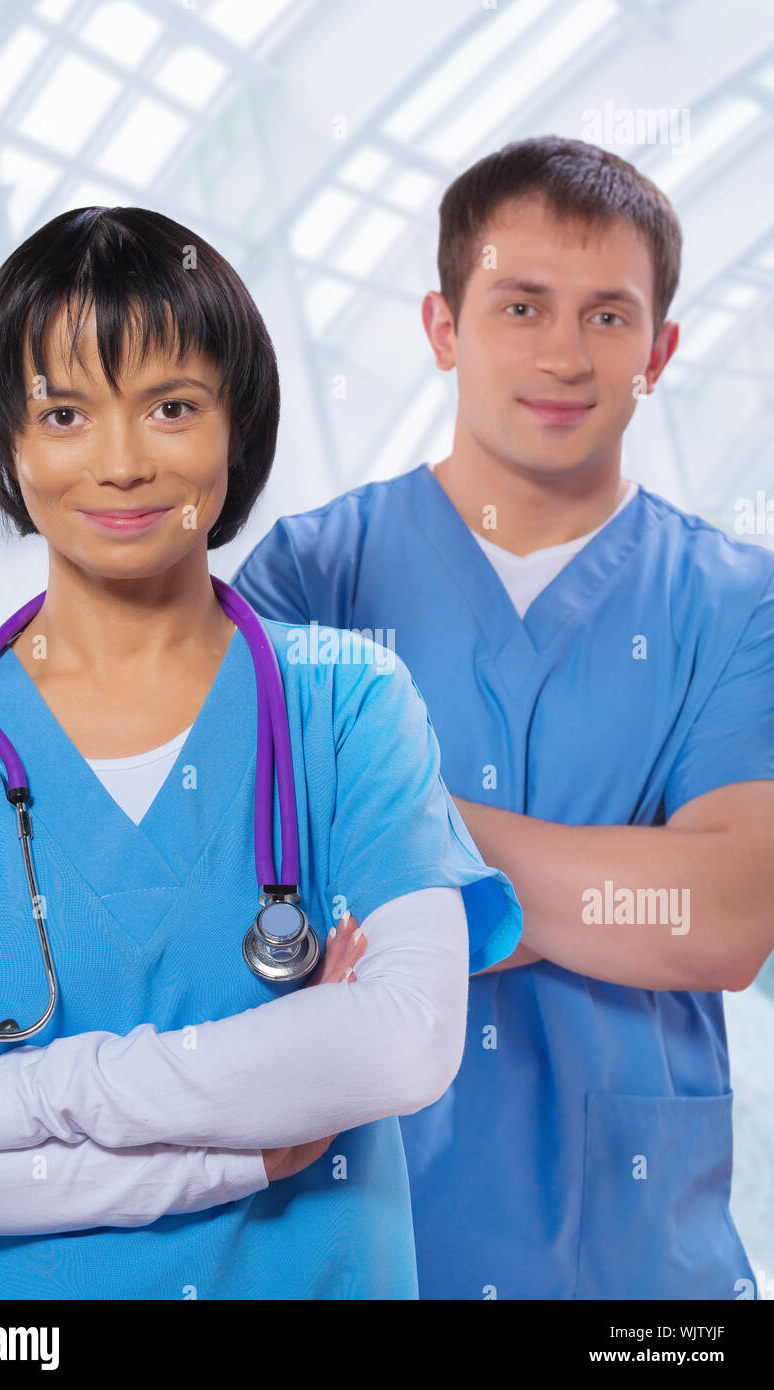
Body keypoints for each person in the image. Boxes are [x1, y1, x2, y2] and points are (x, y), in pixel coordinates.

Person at [0, 205, 521, 1300]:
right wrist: (232, 1154)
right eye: (64, 413)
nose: (123, 461)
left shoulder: (345, 705)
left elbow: (399, 1042)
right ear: (6, 441)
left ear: (237, 428)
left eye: (172, 405)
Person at [229, 136, 774, 1300]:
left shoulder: (735, 601)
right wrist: (599, 887)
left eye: (608, 316)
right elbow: (245, 883)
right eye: (519, 305)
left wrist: (397, 841)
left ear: (660, 351)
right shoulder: (310, 578)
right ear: (442, 326)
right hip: (350, 1240)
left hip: (635, 1276)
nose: (564, 355)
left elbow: (727, 914)